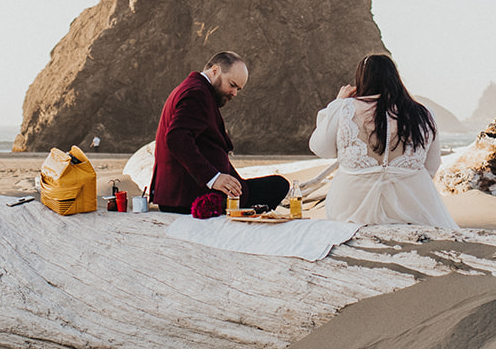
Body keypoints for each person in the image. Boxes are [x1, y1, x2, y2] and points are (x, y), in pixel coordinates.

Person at [308, 53, 457, 228]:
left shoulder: (344, 109)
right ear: (395, 78)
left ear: (361, 81)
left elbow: (321, 149)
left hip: (351, 209)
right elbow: (432, 165)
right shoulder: (423, 113)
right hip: (414, 207)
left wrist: (336, 103)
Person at [151, 51, 290, 214]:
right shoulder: (197, 93)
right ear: (215, 70)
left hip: (188, 193)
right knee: (278, 186)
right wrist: (213, 178)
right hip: (191, 197)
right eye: (232, 84)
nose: (234, 93)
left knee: (274, 186)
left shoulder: (195, 89)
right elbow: (177, 138)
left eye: (238, 89)